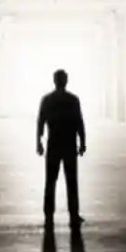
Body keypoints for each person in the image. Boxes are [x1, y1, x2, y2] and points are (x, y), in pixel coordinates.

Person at [36, 69, 86, 227]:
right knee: (72, 181)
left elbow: (40, 122)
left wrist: (39, 142)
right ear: (66, 81)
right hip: (69, 145)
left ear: (54, 81)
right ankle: (74, 214)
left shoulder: (47, 100)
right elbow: (79, 122)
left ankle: (49, 215)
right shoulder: (73, 100)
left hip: (54, 144)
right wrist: (82, 142)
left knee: (50, 180)